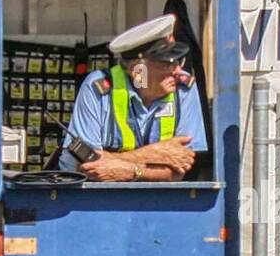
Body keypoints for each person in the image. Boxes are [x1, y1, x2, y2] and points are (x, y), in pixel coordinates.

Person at [58, 14, 207, 182]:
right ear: (138, 71)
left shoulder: (183, 88)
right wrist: (154, 153)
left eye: (179, 61)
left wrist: (131, 170)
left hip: (161, 202)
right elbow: (86, 164)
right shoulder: (97, 87)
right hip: (101, 200)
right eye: (168, 64)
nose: (178, 71)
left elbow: (181, 167)